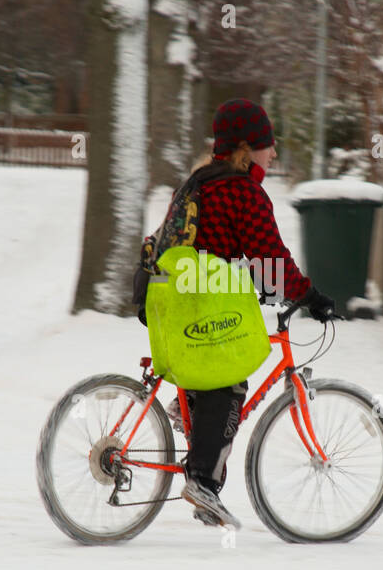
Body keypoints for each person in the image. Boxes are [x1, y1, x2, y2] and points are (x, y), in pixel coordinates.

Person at [139, 98, 335, 529]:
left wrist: (261, 284)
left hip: (171, 301)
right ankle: (202, 482)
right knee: (229, 380)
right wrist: (309, 296)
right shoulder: (241, 191)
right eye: (268, 145)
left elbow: (214, 249)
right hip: (197, 303)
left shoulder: (198, 182)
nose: (275, 153)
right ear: (247, 148)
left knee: (212, 364)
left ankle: (187, 410)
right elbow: (270, 256)